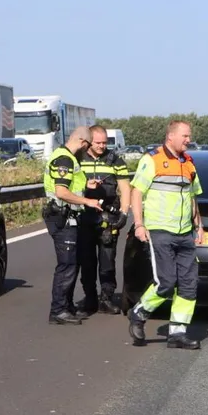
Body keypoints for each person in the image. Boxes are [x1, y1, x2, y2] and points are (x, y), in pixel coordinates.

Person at [126, 121, 204, 350]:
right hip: (160, 230)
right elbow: (136, 192)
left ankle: (178, 333)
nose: (188, 140)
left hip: (184, 233)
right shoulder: (152, 160)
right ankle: (139, 312)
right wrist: (139, 225)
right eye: (185, 136)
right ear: (171, 136)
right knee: (167, 281)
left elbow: (192, 197)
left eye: (189, 136)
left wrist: (199, 225)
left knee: (189, 284)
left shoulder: (188, 163)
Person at [42, 126, 103, 325]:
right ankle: (57, 310)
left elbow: (71, 185)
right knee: (67, 265)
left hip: (68, 216)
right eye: (89, 144)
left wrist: (87, 186)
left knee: (73, 263)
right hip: (62, 217)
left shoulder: (67, 157)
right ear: (83, 142)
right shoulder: (65, 159)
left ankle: (67, 306)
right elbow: (61, 191)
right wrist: (87, 201)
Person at [75, 125, 133, 315]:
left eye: (104, 142)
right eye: (97, 142)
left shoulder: (115, 160)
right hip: (84, 217)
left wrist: (124, 213)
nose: (101, 146)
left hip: (109, 217)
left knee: (107, 261)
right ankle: (90, 299)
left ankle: (106, 298)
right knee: (87, 261)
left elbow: (125, 188)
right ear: (89, 141)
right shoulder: (77, 159)